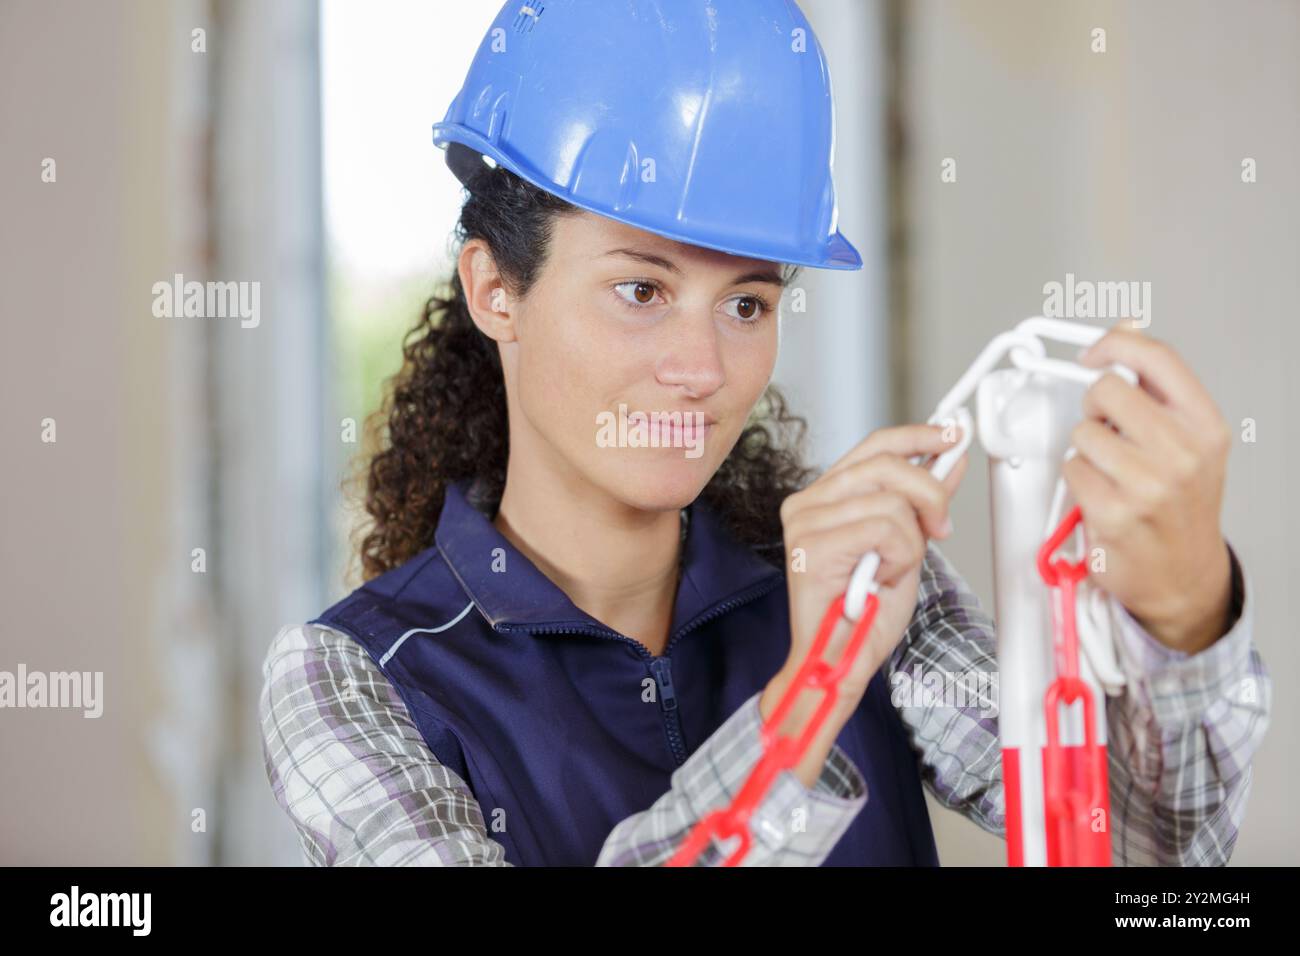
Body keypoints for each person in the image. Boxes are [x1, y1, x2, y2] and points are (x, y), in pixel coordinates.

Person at [258, 0, 1270, 866]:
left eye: (746, 303)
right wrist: (805, 698)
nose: (703, 369)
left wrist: (1181, 612)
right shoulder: (351, 681)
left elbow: (1151, 865)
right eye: (641, 289)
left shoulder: (861, 578)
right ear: (495, 290)